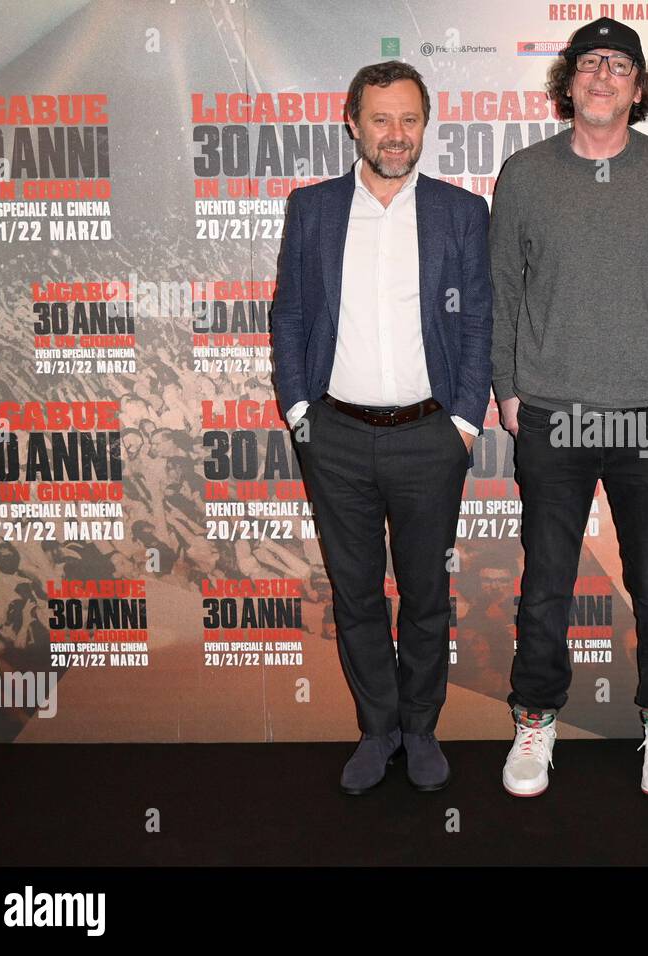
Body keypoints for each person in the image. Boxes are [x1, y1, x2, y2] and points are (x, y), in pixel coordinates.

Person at [489, 17, 648, 797]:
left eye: (618, 65)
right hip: (551, 413)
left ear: (637, 85)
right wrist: (509, 388)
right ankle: (535, 718)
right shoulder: (524, 174)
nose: (602, 76)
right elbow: (501, 294)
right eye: (589, 63)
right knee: (547, 580)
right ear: (569, 81)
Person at [270, 60, 493, 794]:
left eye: (409, 120)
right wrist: (300, 413)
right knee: (358, 592)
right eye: (380, 120)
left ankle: (421, 729)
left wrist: (464, 420)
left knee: (426, 594)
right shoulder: (313, 208)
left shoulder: (461, 212)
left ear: (424, 125)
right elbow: (291, 315)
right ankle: (378, 729)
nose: (395, 135)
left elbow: (477, 325)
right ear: (352, 123)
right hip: (334, 439)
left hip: (432, 437)